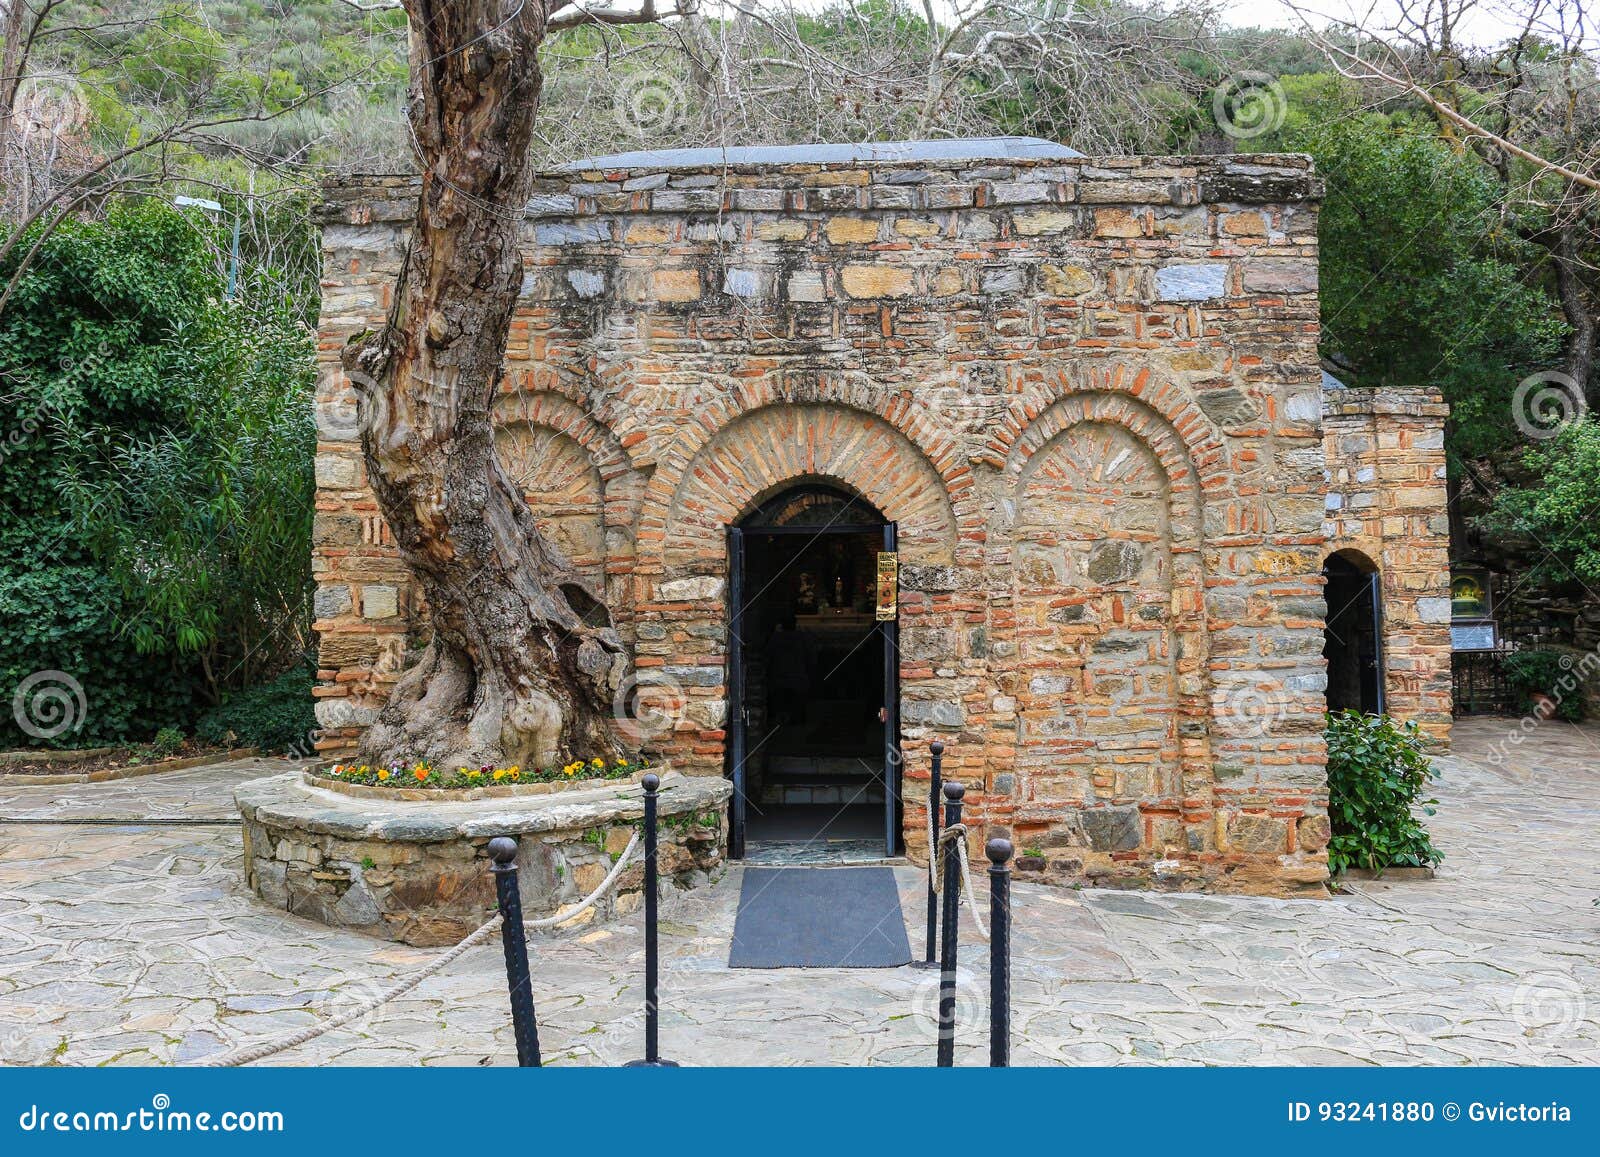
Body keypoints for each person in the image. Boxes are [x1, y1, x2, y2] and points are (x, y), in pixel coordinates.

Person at [765, 615, 814, 727]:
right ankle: (794, 717)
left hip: (783, 676)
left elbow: (768, 655)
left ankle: (786, 717)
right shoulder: (801, 637)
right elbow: (810, 655)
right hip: (794, 676)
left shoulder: (777, 638)